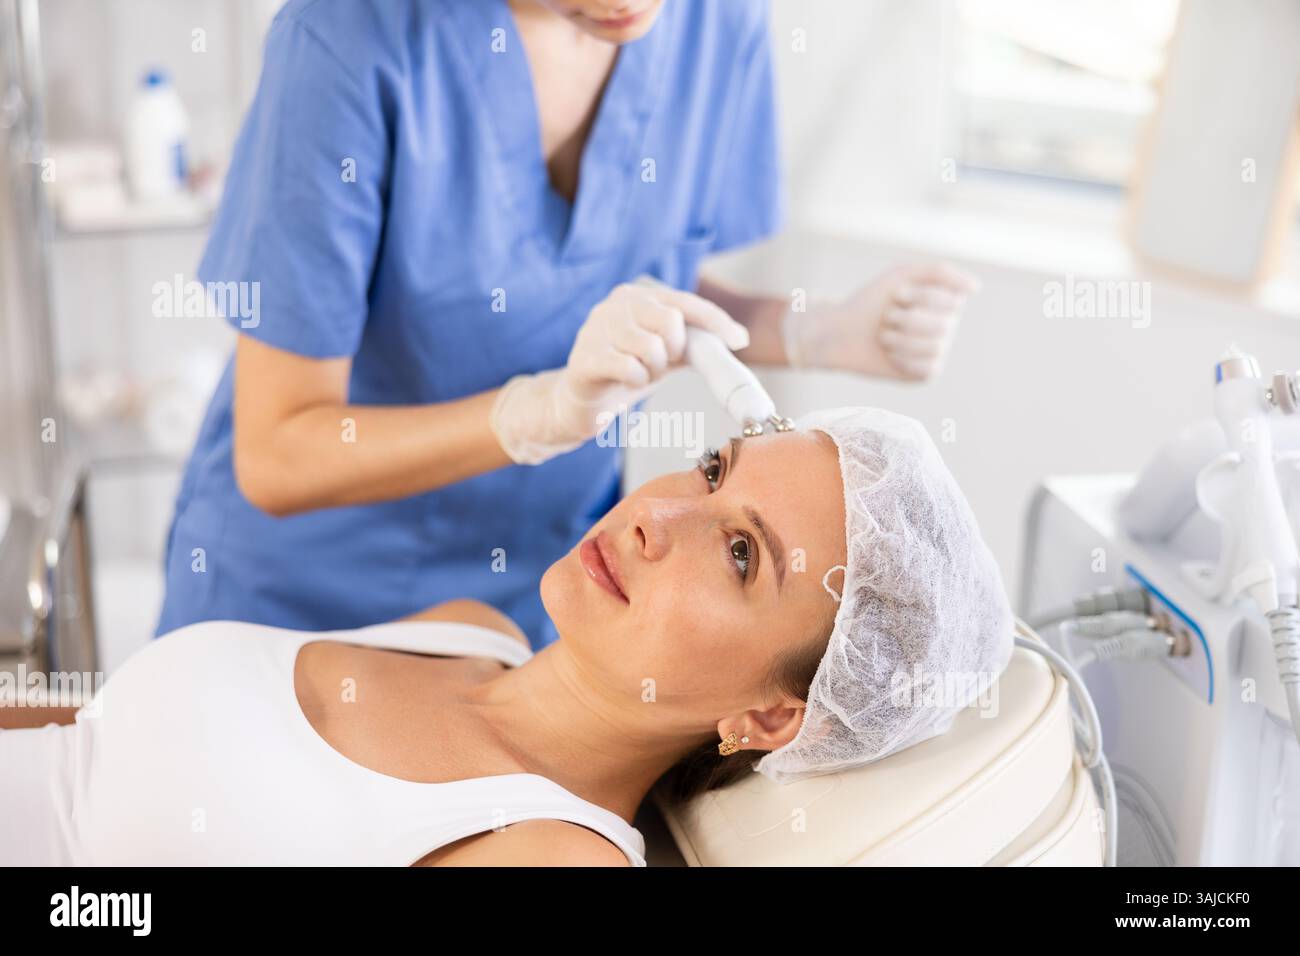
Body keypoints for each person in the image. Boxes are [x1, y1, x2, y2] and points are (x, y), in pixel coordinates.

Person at [156, 0, 979, 649]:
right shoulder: (347, 41)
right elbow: (277, 454)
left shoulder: (718, 21)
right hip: (302, 600)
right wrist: (528, 417)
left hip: (535, 595)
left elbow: (628, 268)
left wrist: (813, 331)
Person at [1, 407, 1012, 866]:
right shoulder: (464, 629)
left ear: (770, 713)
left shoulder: (544, 854)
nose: (658, 513)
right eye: (713, 469)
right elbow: (84, 744)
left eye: (742, 553)